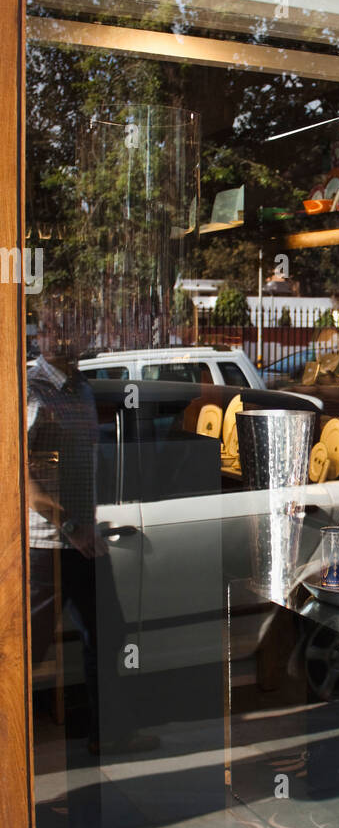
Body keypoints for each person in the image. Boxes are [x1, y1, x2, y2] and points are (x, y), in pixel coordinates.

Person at [27, 313, 156, 757]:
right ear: (41, 337)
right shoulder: (33, 391)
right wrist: (71, 525)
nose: (69, 337)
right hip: (44, 544)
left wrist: (85, 527)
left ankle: (111, 736)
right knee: (28, 648)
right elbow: (20, 478)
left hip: (83, 540)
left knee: (109, 634)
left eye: (76, 330)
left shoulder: (80, 389)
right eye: (58, 330)